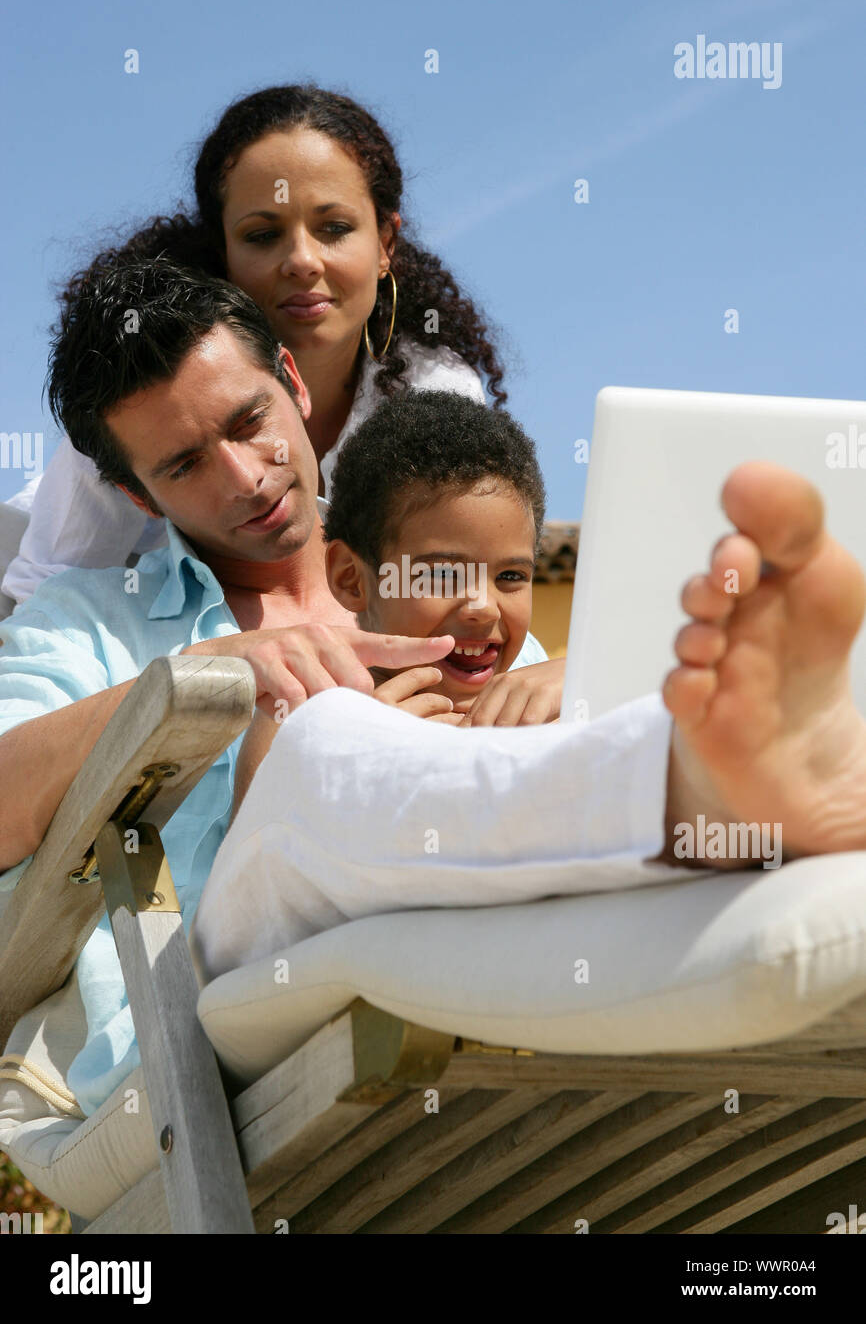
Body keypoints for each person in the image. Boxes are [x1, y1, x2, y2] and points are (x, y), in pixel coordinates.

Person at [4, 259, 866, 1120]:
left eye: (249, 420)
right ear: (131, 490)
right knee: (318, 735)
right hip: (215, 981)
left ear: (293, 382)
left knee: (587, 710)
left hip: (471, 932)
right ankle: (703, 789)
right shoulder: (87, 621)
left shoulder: (438, 562)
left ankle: (726, 785)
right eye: (186, 463)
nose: (244, 476)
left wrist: (593, 678)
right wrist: (198, 681)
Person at [2, 84, 507, 604]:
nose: (303, 260)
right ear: (222, 254)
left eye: (333, 227)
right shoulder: (140, 409)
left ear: (385, 244)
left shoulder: (437, 392)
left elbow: (451, 587)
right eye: (263, 235)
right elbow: (37, 604)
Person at [230, 386, 558, 807]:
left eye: (511, 575)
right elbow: (258, 867)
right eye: (442, 575)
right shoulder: (301, 718)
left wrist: (596, 687)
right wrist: (365, 775)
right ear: (352, 579)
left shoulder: (546, 711)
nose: (483, 607)